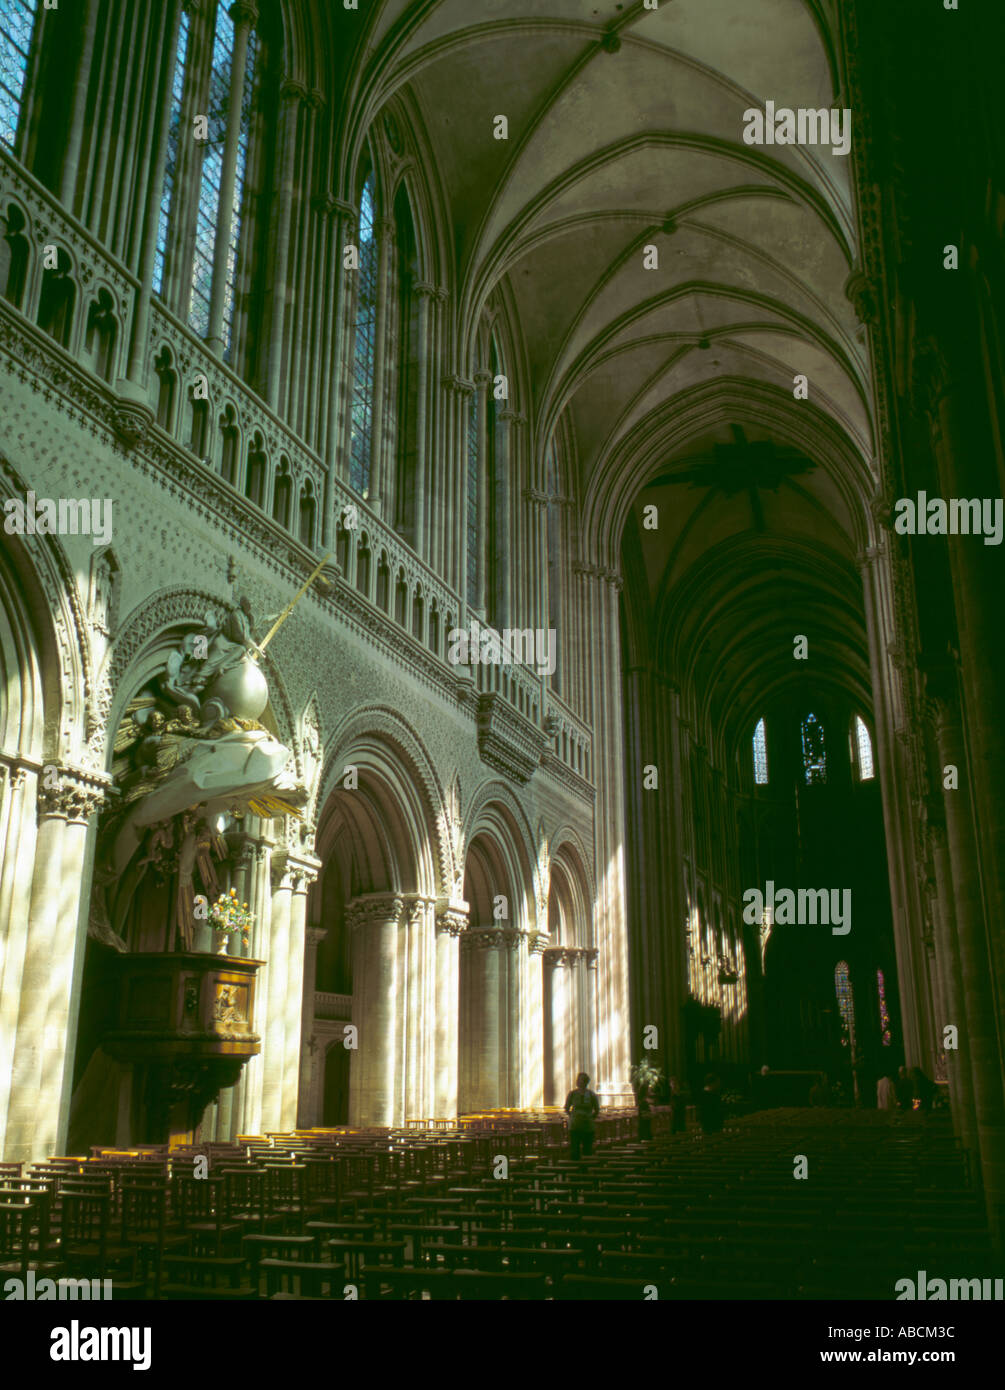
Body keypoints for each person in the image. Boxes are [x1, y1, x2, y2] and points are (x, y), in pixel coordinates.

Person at [564, 1072, 600, 1158]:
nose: (578, 1082)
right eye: (578, 1080)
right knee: (575, 1149)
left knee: (587, 1149)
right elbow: (566, 1108)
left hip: (588, 1125)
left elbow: (597, 1109)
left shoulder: (591, 1094)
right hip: (575, 1125)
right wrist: (573, 1116)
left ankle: (586, 1168)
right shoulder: (572, 1094)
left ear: (585, 1082)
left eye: (580, 1080)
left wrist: (590, 1117)